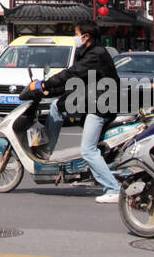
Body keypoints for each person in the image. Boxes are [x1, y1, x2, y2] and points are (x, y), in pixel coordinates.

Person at [38, 21, 123, 204]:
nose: (74, 38)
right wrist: (50, 91)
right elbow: (75, 80)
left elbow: (73, 73)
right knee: (56, 107)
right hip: (93, 100)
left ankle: (114, 189)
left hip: (101, 106)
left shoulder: (96, 55)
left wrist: (46, 83)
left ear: (86, 37)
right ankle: (47, 152)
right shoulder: (88, 53)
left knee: (88, 150)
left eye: (76, 34)